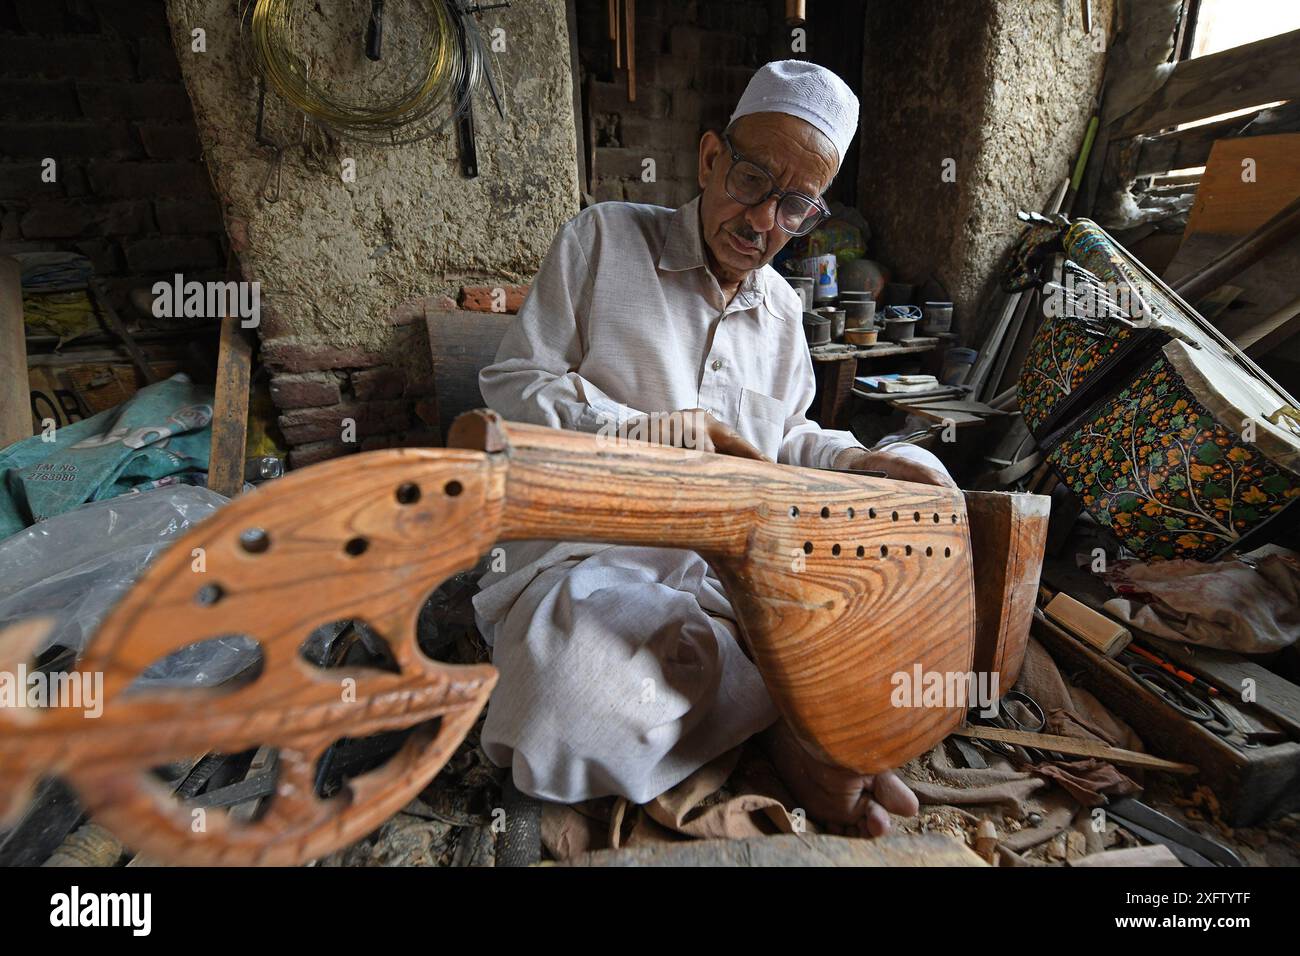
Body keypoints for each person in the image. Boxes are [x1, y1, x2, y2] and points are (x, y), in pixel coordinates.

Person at [474, 61, 954, 836]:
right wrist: (647, 433)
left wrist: (862, 462)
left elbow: (789, 432)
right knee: (564, 701)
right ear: (707, 159)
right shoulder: (601, 240)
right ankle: (783, 730)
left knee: (869, 641)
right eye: (752, 179)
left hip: (733, 572)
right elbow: (513, 383)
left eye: (794, 205)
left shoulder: (784, 310)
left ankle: (778, 719)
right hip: (596, 558)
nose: (763, 220)